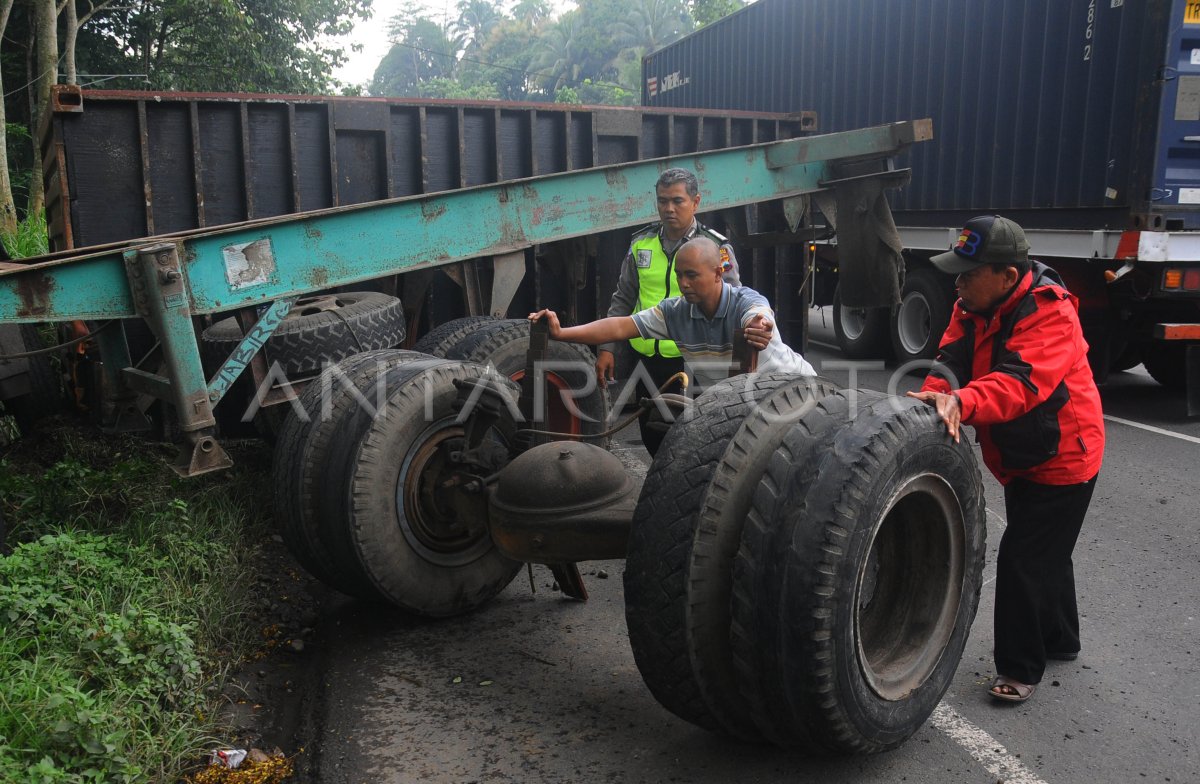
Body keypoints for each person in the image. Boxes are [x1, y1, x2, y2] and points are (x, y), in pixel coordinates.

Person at [906, 215, 1105, 704]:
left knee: (1024, 559)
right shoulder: (970, 306)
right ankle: (1061, 639)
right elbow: (949, 362)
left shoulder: (1050, 311)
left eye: (969, 273)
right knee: (1047, 552)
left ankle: (1019, 668)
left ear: (1007, 277)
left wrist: (962, 403)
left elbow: (1019, 383)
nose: (959, 282)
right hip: (1021, 452)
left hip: (1063, 456)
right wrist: (932, 397)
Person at [530, 236, 814, 400]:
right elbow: (618, 326)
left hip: (797, 393)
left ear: (718, 273)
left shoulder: (744, 302)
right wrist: (561, 333)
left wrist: (761, 326)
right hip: (740, 403)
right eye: (679, 275)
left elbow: (760, 314)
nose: (683, 283)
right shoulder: (674, 312)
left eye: (692, 275)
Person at [597, 167, 740, 454]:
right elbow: (623, 298)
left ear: (695, 202)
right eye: (662, 201)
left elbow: (732, 305)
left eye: (677, 201)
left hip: (695, 360)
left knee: (698, 440)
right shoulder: (641, 244)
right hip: (649, 361)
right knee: (653, 436)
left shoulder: (715, 248)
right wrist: (607, 347)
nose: (669, 208)